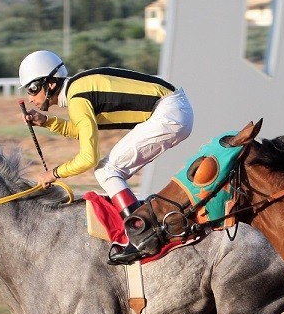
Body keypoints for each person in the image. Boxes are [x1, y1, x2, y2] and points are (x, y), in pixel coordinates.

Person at [18, 50, 194, 263]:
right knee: (109, 170)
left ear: (51, 84)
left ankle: (141, 231)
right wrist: (47, 121)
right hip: (174, 109)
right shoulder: (78, 89)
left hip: (170, 112)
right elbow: (82, 130)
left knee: (106, 170)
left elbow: (88, 157)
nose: (30, 97)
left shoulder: (78, 98)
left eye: (33, 89)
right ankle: (143, 226)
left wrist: (53, 174)